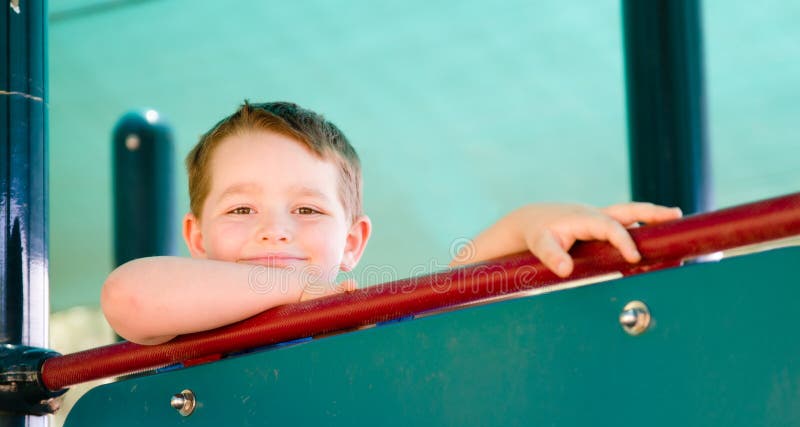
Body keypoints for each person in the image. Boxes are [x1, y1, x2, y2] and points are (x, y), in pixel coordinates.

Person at [101, 101, 681, 345]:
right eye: (240, 209)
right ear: (196, 239)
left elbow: (467, 280)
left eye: (306, 209)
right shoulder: (184, 324)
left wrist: (537, 221)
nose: (275, 230)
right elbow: (128, 296)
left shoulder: (360, 324)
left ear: (352, 242)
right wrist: (300, 286)